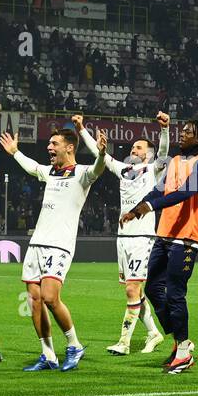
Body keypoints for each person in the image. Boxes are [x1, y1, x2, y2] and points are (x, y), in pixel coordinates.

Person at [0, 124, 107, 371]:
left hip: (59, 244)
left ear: (69, 148)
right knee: (34, 301)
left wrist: (101, 154)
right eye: (49, 144)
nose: (49, 147)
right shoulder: (50, 172)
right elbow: (32, 167)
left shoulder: (82, 173)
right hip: (36, 242)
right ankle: (48, 354)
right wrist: (15, 152)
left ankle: (74, 345)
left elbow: (98, 169)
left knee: (50, 297)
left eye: (54, 144)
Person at [122, 119, 198, 374]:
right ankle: (178, 339)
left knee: (175, 293)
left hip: (186, 238)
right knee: (152, 288)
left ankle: (184, 351)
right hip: (164, 235)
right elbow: (159, 190)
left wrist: (148, 207)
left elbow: (186, 192)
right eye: (182, 130)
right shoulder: (174, 161)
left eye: (188, 132)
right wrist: (135, 208)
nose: (182, 134)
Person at [74, 111, 168, 356]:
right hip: (123, 238)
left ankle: (124, 342)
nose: (133, 149)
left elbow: (164, 152)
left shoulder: (153, 170)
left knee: (131, 290)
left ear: (147, 153)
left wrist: (165, 129)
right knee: (133, 290)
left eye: (138, 148)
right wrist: (82, 129)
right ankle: (153, 333)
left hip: (142, 237)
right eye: (133, 147)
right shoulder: (124, 169)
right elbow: (100, 154)